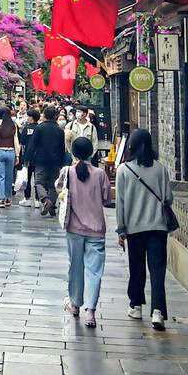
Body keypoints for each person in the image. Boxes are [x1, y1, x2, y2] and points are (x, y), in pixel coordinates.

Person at [116, 128, 173, 331]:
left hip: (134, 228)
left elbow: (120, 203)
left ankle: (136, 305)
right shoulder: (160, 169)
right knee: (158, 270)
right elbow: (168, 198)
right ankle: (158, 311)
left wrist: (121, 229)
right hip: (158, 227)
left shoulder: (124, 170)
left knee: (137, 267)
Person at [59, 136, 111, 327]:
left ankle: (75, 303)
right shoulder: (100, 174)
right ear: (91, 152)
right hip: (97, 229)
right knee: (94, 271)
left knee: (76, 266)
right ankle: (91, 310)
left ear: (73, 153)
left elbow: (59, 189)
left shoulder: (68, 172)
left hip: (74, 228)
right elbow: (107, 198)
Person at [30, 104, 66, 217]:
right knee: (53, 185)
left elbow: (33, 145)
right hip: (55, 160)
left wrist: (28, 158)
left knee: (39, 182)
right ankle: (51, 206)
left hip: (41, 160)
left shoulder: (39, 128)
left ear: (44, 115)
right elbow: (62, 147)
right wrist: (62, 162)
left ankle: (45, 200)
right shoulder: (60, 130)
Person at [0, 105, 19, 209]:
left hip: (0, 150)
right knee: (9, 176)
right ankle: (8, 197)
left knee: (0, 176)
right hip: (11, 151)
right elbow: (16, 141)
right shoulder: (13, 125)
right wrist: (17, 155)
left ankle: (1, 199)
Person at [18, 107, 41, 208]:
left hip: (28, 156)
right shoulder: (40, 128)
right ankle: (37, 199)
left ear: (32, 118)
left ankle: (27, 198)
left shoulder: (26, 128)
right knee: (38, 179)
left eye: (28, 116)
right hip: (39, 156)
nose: (27, 118)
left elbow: (22, 142)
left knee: (27, 178)